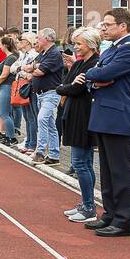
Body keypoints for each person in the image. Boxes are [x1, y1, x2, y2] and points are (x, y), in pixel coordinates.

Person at [83, 7, 130, 237]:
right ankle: (110, 214)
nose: (103, 28)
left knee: (121, 171)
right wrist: (96, 78)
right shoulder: (112, 49)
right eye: (103, 25)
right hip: (105, 114)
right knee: (108, 171)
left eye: (108, 25)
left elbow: (100, 73)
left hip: (119, 115)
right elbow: (94, 74)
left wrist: (97, 76)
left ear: (123, 26)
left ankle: (123, 220)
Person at [58, 27, 101, 222]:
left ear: (90, 45)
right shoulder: (79, 63)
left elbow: (74, 89)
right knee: (84, 163)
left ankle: (89, 207)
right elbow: (65, 84)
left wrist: (68, 87)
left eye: (78, 44)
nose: (75, 47)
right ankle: (86, 203)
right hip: (75, 114)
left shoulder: (92, 64)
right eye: (75, 43)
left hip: (83, 116)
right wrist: (67, 86)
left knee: (80, 163)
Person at [30, 29, 64, 165]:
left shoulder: (54, 53)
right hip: (41, 94)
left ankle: (40, 152)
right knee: (50, 125)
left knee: (42, 119)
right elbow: (32, 66)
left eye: (39, 38)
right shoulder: (43, 53)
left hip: (50, 93)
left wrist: (34, 68)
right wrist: (34, 67)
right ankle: (54, 155)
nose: (37, 41)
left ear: (47, 39)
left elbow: (39, 72)